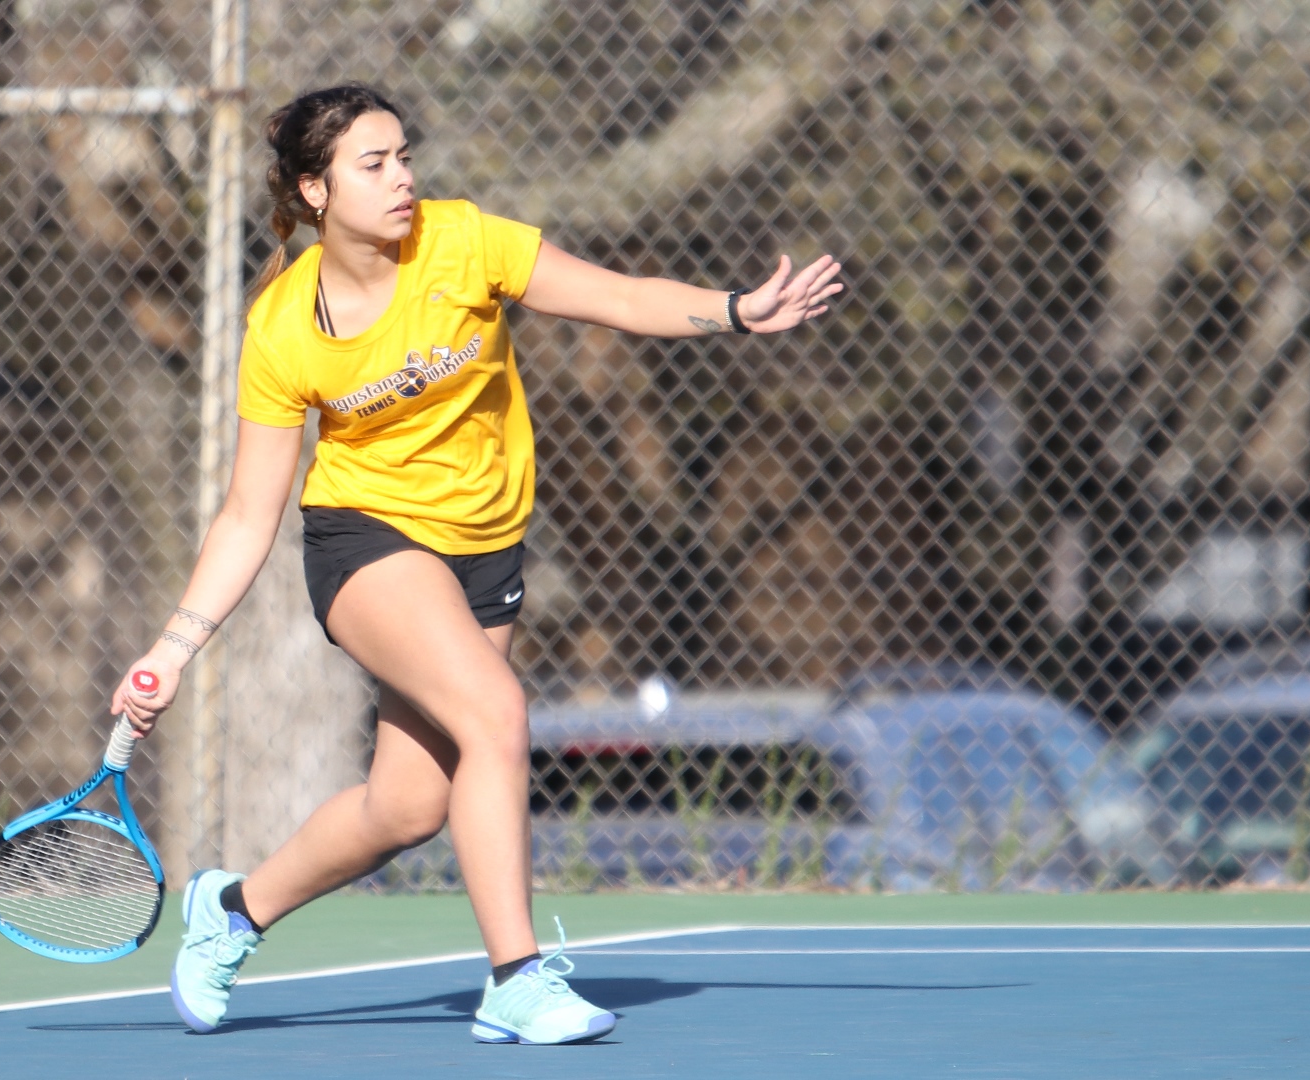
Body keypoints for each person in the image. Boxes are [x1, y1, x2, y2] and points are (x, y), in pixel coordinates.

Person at [111, 83, 843, 1043]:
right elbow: (250, 514)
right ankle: (516, 979)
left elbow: (621, 298)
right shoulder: (284, 327)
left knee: (406, 807)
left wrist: (740, 310)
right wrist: (172, 648)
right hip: (366, 541)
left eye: (404, 156)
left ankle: (233, 910)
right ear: (316, 191)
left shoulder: (463, 242)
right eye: (373, 164)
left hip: (487, 545)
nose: (401, 178)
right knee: (497, 712)